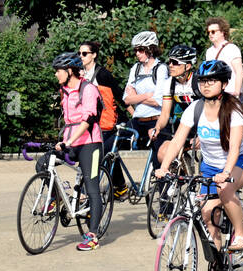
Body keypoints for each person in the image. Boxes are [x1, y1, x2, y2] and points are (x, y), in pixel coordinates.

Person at [155, 60, 243, 271]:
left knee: (225, 190)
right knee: (207, 213)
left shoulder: (233, 110)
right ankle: (218, 270)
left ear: (223, 83)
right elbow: (177, 141)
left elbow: (234, 149)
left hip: (242, 160)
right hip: (211, 166)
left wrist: (226, 173)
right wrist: (165, 167)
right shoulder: (196, 109)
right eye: (202, 81)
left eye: (212, 80)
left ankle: (240, 235)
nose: (206, 85)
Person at [52, 52, 103, 252]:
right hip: (70, 142)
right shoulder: (64, 91)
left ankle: (92, 236)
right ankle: (56, 198)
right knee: (43, 163)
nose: (56, 74)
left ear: (70, 71)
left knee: (91, 189)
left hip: (90, 143)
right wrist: (63, 141)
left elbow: (88, 119)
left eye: (58, 71)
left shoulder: (88, 89)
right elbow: (67, 121)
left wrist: (70, 141)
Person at [205, 16, 243, 176]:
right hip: (216, 96)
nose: (210, 34)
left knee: (239, 129)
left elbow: (239, 71)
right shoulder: (209, 52)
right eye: (208, 32)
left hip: (231, 95)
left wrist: (236, 92)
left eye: (213, 31)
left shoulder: (232, 49)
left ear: (223, 32)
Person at [149, 45, 200, 164]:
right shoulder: (169, 84)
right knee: (162, 154)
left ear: (188, 66)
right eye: (169, 61)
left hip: (201, 127)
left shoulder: (199, 82)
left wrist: (202, 136)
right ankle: (179, 176)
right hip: (181, 126)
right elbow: (165, 113)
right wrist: (157, 127)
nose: (170, 65)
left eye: (175, 62)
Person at [78, 39, 122, 174]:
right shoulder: (78, 74)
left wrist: (133, 114)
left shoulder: (102, 74)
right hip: (87, 122)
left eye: (84, 53)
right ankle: (118, 187)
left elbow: (119, 96)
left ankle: (118, 187)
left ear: (94, 55)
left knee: (102, 154)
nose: (81, 56)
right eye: (79, 53)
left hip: (104, 123)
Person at [123, 31, 165, 156]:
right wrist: (147, 95)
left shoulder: (161, 69)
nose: (137, 53)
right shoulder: (136, 68)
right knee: (112, 144)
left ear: (150, 49)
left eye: (141, 50)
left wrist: (135, 97)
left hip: (155, 120)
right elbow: (126, 99)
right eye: (135, 50)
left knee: (157, 158)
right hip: (137, 119)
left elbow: (158, 101)